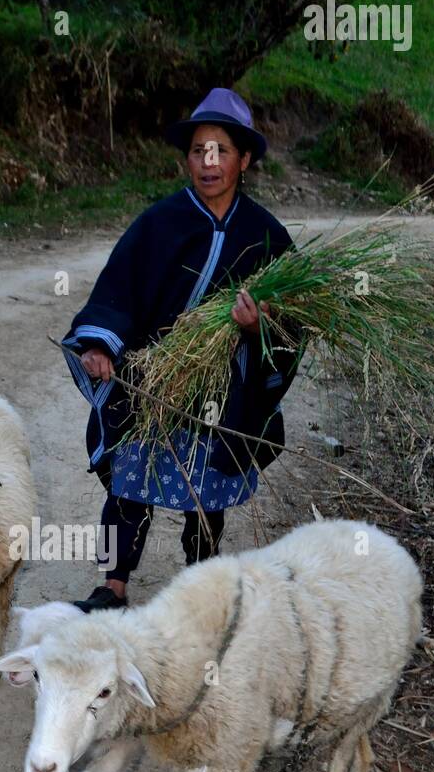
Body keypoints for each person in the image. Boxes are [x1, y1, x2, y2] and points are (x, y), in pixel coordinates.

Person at [61, 87, 302, 612]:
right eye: (198, 150)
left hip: (220, 389)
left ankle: (201, 592)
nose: (207, 162)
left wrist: (258, 328)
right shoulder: (158, 223)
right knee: (130, 481)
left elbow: (291, 326)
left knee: (205, 493)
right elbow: (116, 290)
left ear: (245, 159)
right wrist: (102, 344)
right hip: (151, 379)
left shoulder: (268, 238)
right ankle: (113, 587)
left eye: (220, 150)